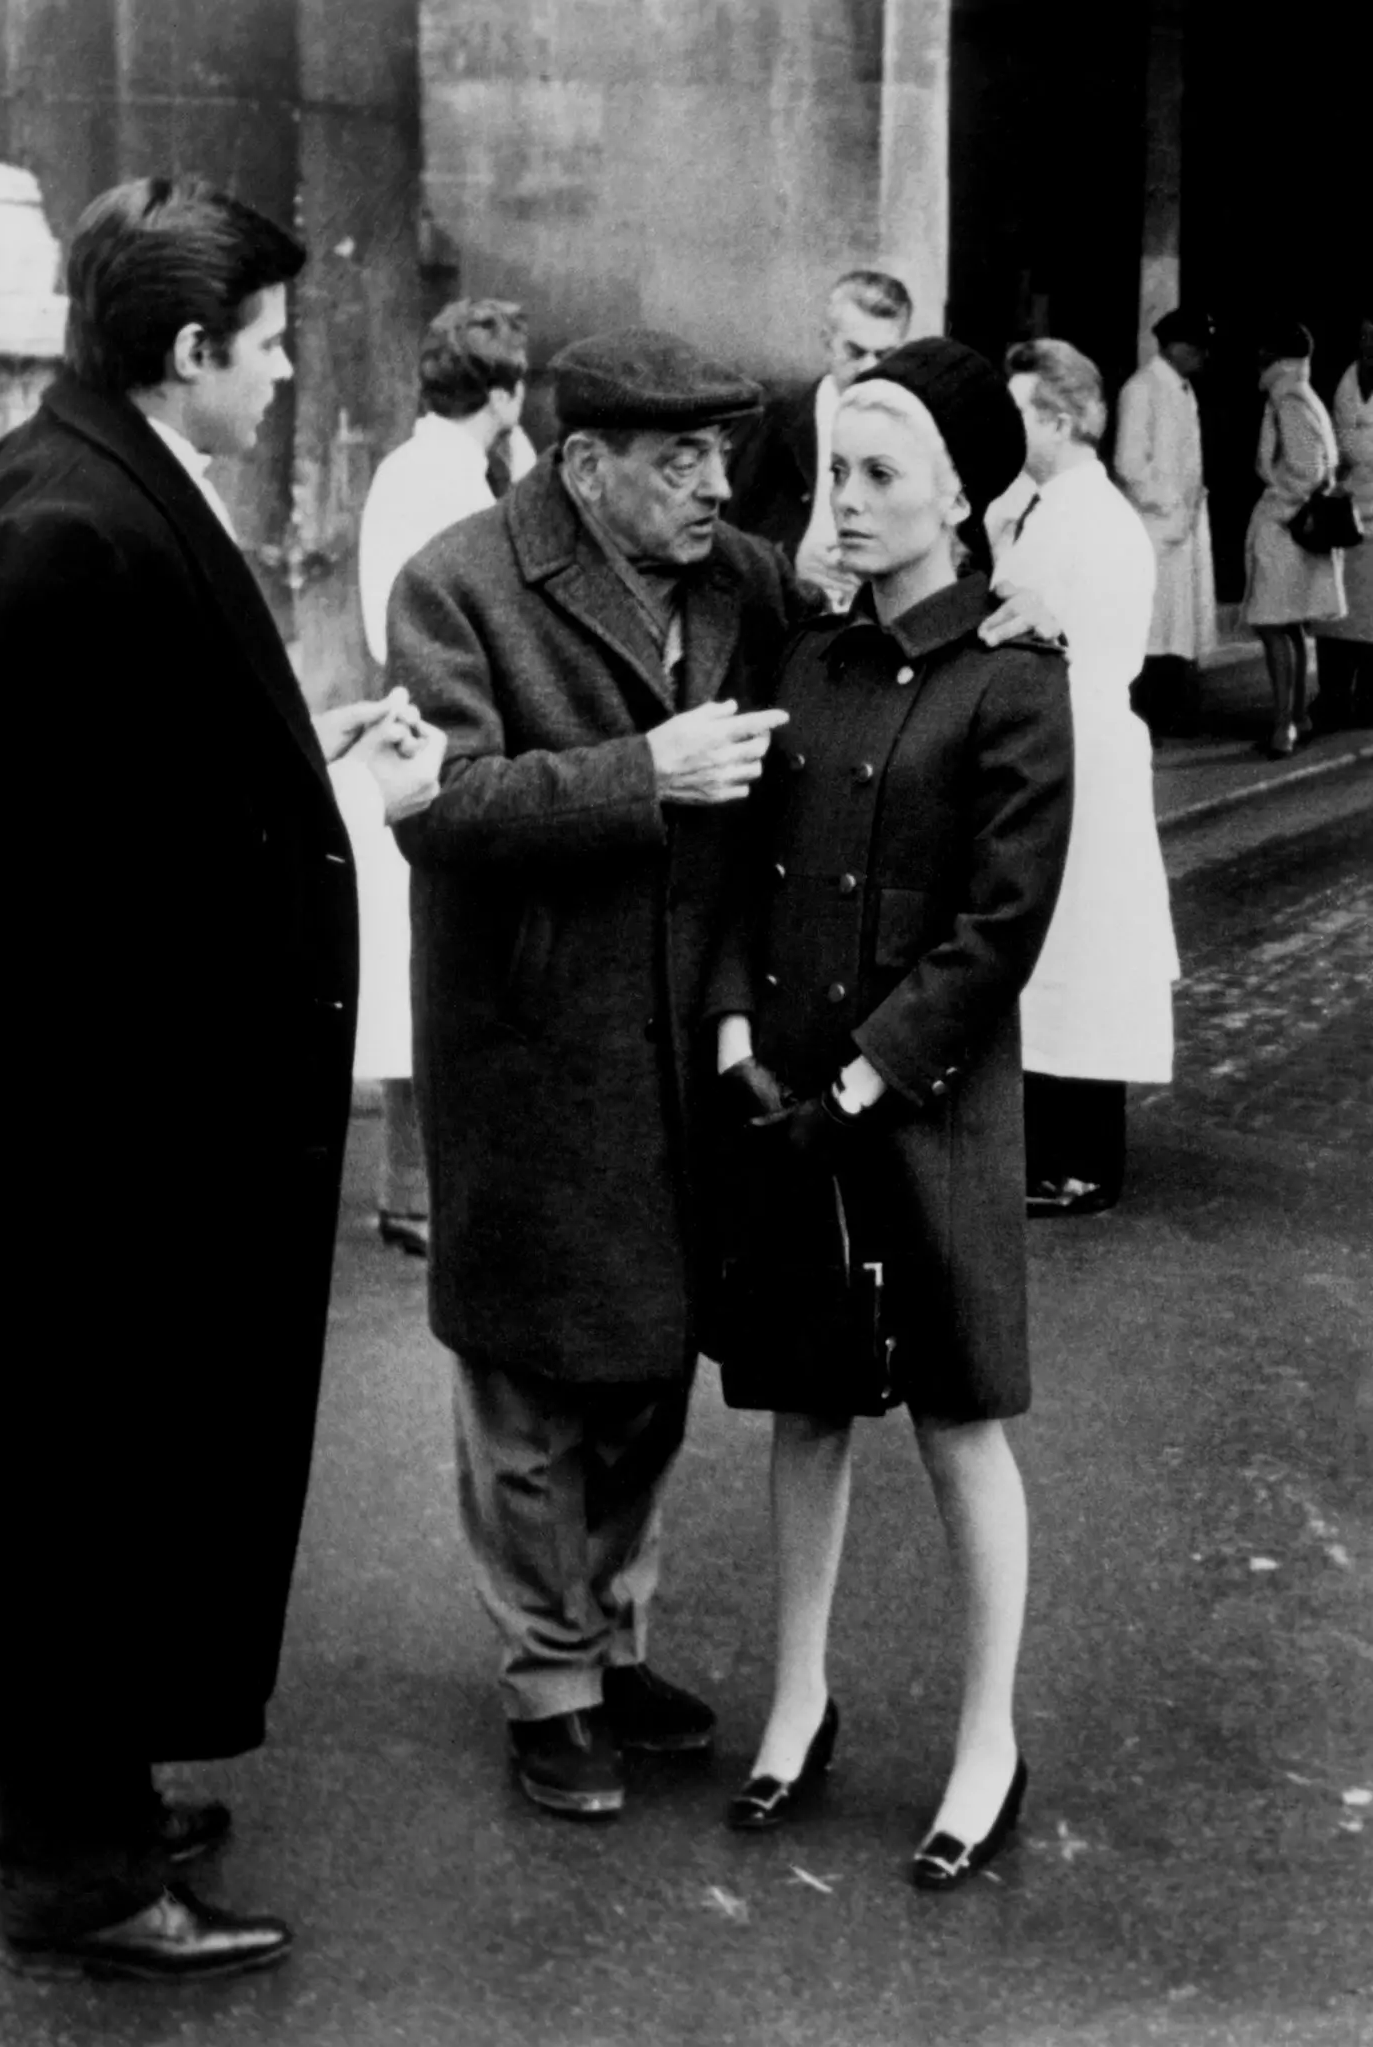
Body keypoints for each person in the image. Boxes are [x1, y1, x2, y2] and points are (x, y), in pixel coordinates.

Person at [0, 175, 442, 1982]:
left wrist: (294, 748)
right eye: (268, 346)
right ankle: (79, 1870)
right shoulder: (73, 521)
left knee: (100, 1484)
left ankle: (102, 1797)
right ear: (187, 348)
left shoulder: (85, 480)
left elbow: (123, 780)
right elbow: (63, 891)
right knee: (80, 1482)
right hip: (99, 1142)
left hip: (102, 1119)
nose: (284, 375)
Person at [386, 328, 803, 1820]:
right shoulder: (459, 579)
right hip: (530, 1041)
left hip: (680, 1036)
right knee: (524, 1381)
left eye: (723, 455)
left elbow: (869, 644)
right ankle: (548, 1676)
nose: (715, 485)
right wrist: (646, 772)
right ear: (582, 465)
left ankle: (614, 1640)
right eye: (677, 460)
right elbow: (434, 804)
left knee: (642, 1366)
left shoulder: (741, 579)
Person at [708, 338, 1073, 1889]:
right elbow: (744, 864)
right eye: (833, 473)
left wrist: (863, 1077)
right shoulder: (810, 658)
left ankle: (986, 1733)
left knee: (957, 1420)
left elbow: (997, 929)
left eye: (876, 474)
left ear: (961, 493)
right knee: (803, 1403)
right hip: (788, 1089)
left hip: (918, 1108)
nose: (842, 502)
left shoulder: (1014, 675)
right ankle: (800, 1696)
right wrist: (738, 1029)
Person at [354, 298, 538, 1256]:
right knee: (440, 974)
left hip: (414, 721)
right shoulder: (452, 486)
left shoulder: (424, 466)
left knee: (415, 980)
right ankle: (421, 1195)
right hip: (437, 730)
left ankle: (410, 1191)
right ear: (503, 394)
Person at [1002, 339, 1177, 1216]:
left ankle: (1079, 1164)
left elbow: (1055, 642)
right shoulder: (1061, 508)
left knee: (1079, 953)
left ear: (1057, 420)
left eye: (1019, 410)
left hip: (1079, 747)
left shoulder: (1086, 517)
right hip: (1073, 746)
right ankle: (1062, 1151)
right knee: (1064, 954)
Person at [725, 270, 912, 610]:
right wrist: (790, 560)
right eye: (855, 352)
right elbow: (729, 531)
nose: (869, 368)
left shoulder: (918, 430)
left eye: (884, 355)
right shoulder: (772, 424)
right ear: (827, 342)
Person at [1243, 320, 1346, 757]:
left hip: (1285, 531)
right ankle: (1297, 716)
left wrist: (1280, 511)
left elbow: (1309, 469)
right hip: (1296, 532)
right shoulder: (1302, 394)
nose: (1257, 357)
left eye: (1264, 349)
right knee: (1289, 626)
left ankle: (1283, 725)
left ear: (1276, 355)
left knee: (1271, 625)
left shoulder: (1286, 399)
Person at [1114, 307, 1218, 738]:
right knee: (1149, 629)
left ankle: (1167, 714)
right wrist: (1170, 504)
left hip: (1181, 529)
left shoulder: (1181, 387)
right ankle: (1145, 719)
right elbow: (1129, 463)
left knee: (1175, 628)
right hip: (1153, 528)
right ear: (1174, 346)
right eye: (1196, 346)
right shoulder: (1142, 389)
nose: (1203, 355)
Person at [1314, 312, 1373, 730]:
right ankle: (1333, 694)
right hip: (1347, 513)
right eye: (1366, 335)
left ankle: (1368, 699)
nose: (1370, 344)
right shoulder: (1347, 381)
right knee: (1336, 614)